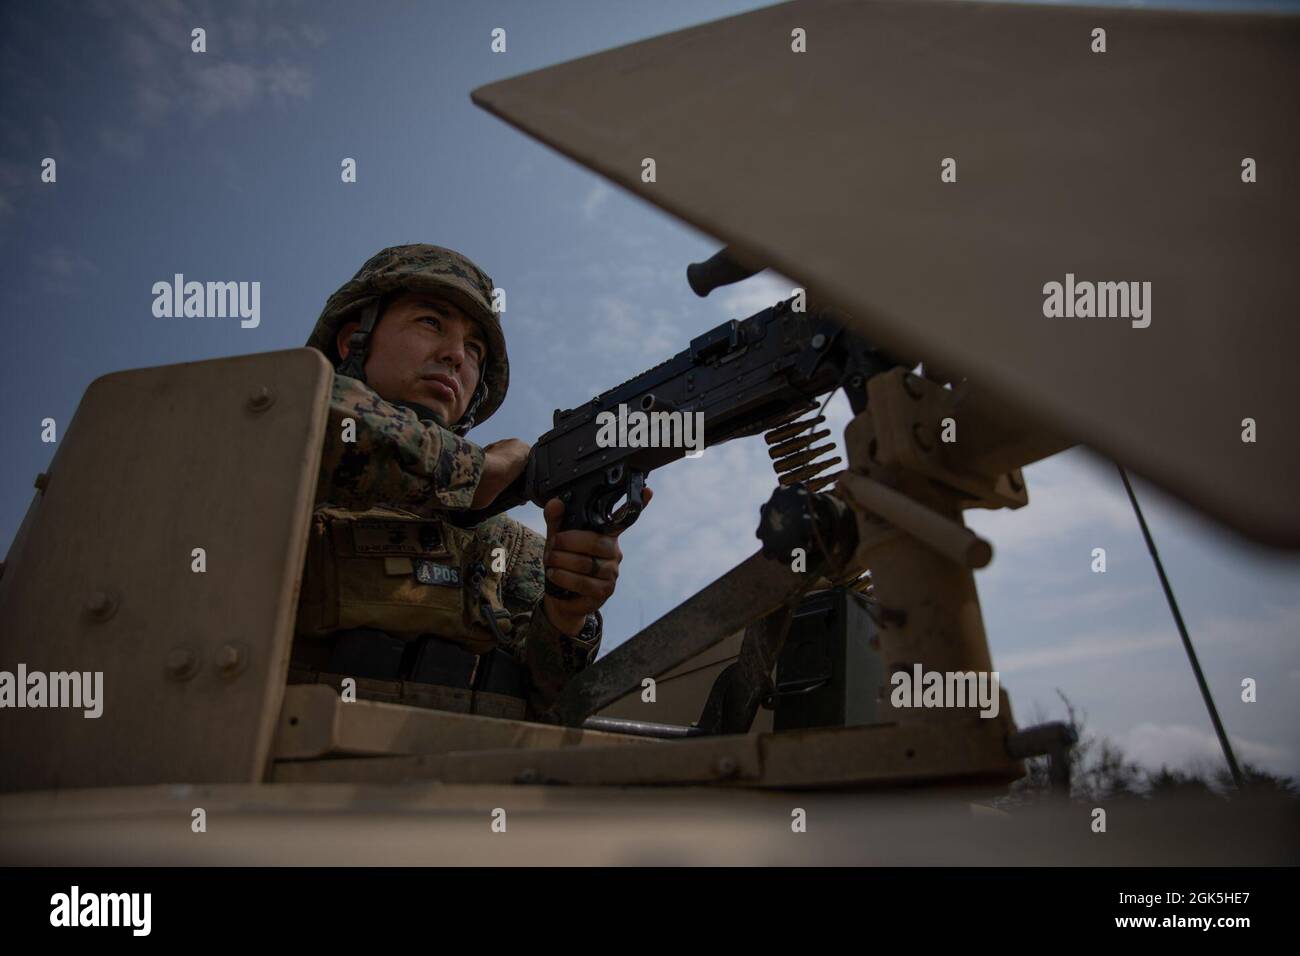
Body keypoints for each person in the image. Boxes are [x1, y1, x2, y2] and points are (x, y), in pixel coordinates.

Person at [290, 243, 650, 720]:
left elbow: (554, 710)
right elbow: (320, 413)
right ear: (353, 339)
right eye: (430, 323)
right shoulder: (284, 450)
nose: (455, 355)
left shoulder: (509, 547)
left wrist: (567, 615)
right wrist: (478, 469)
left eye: (474, 349)